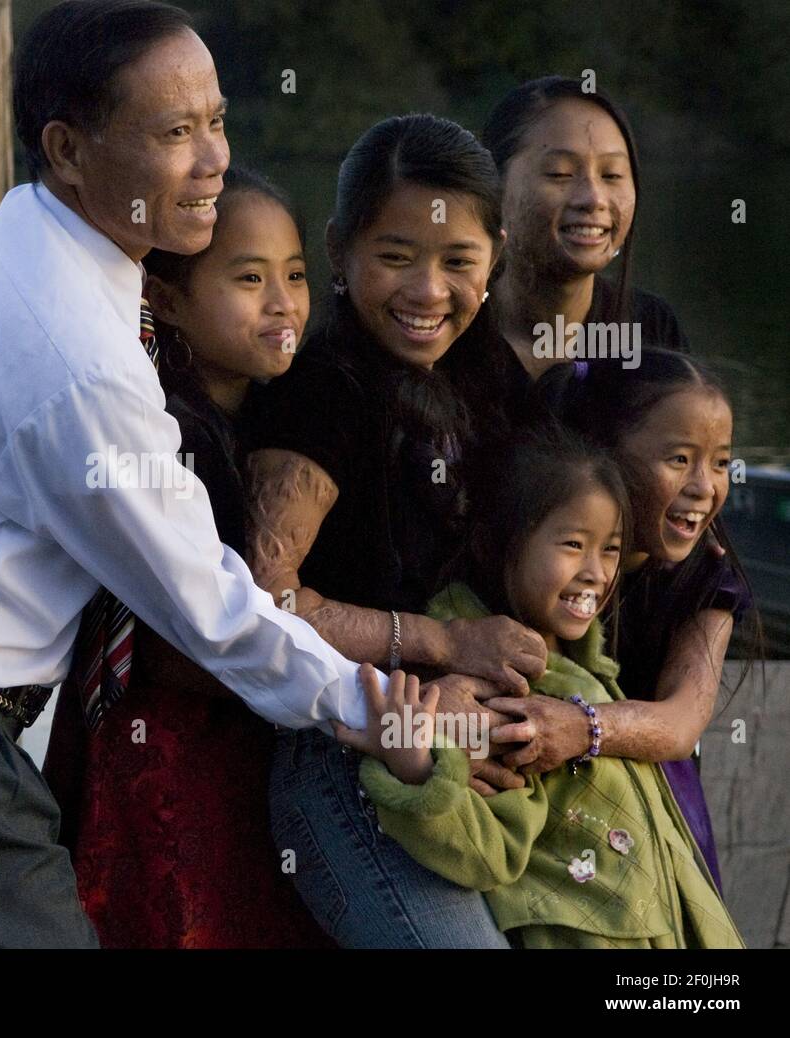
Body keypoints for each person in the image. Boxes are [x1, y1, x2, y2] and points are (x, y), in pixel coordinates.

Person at [0, 0, 379, 950]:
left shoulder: (30, 240)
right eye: (175, 132)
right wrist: (373, 709)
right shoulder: (75, 354)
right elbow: (206, 608)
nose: (215, 158)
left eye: (217, 120)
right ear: (66, 147)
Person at [247, 115, 530, 948]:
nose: (427, 293)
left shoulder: (487, 373)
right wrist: (446, 646)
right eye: (396, 258)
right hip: (344, 758)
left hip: (470, 750)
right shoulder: (319, 391)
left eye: (459, 262)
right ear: (338, 251)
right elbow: (266, 603)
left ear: (498, 256)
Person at [42, 166, 333, 947]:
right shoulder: (159, 425)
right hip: (164, 745)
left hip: (248, 724)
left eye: (297, 276)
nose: (283, 304)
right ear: (165, 300)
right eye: (248, 279)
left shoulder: (280, 417)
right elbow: (168, 645)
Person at [349, 426, 743, 948]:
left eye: (611, 550)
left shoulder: (588, 671)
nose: (595, 573)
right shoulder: (492, 687)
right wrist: (417, 771)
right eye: (574, 545)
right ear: (498, 544)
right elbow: (491, 853)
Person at [493, 349, 758, 892]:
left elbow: (682, 721)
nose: (705, 487)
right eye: (679, 459)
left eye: (719, 463)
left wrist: (580, 727)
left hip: (655, 818)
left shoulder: (706, 581)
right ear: (606, 451)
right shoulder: (535, 554)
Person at [455, 75, 688, 417]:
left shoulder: (651, 329)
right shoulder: (446, 325)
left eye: (612, 175)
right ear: (493, 187)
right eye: (560, 174)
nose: (593, 198)